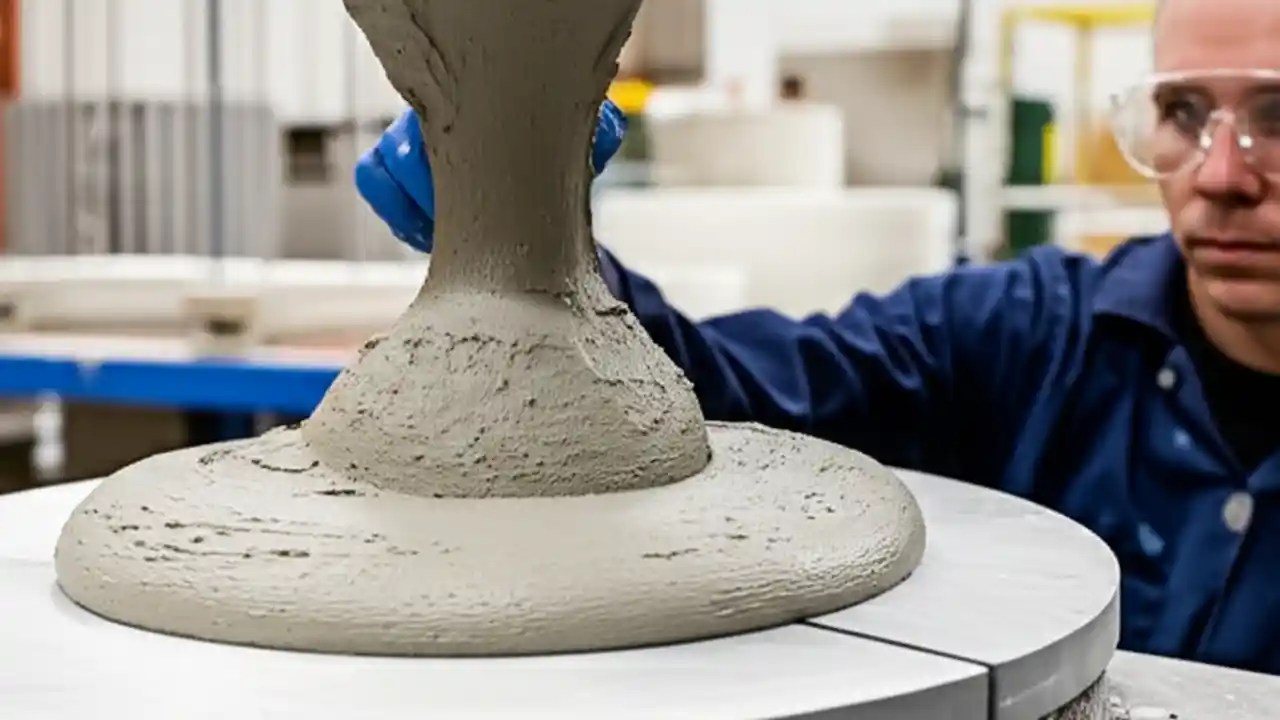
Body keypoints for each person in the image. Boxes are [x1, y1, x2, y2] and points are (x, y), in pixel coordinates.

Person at [355, 0, 1279, 676]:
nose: (1223, 175)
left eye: (1278, 117)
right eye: (1185, 114)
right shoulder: (1031, 335)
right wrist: (541, 235)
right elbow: (740, 390)